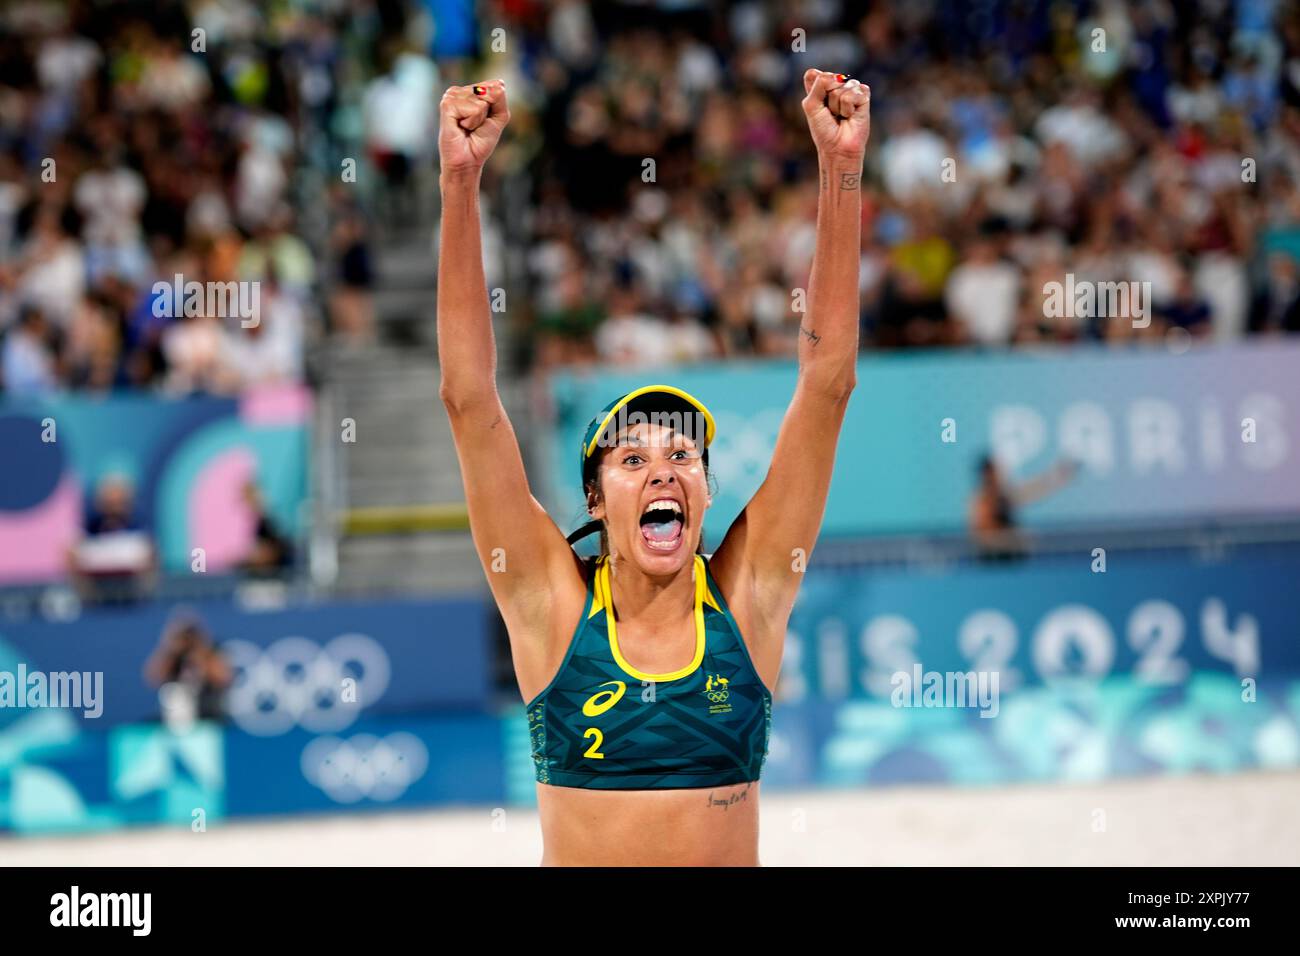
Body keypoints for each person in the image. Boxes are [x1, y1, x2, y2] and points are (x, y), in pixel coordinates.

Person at [437, 70, 868, 866]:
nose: (665, 470)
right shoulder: (550, 609)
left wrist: (841, 171)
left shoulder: (750, 599)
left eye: (682, 456)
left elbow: (828, 385)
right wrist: (460, 187)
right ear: (597, 501)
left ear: (705, 491)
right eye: (634, 458)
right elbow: (469, 400)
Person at [968, 454, 1079, 561]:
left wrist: (1056, 477)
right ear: (987, 474)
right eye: (996, 471)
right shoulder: (980, 502)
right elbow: (983, 533)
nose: (1000, 475)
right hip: (990, 558)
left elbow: (1033, 490)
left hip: (1010, 557)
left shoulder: (1005, 496)